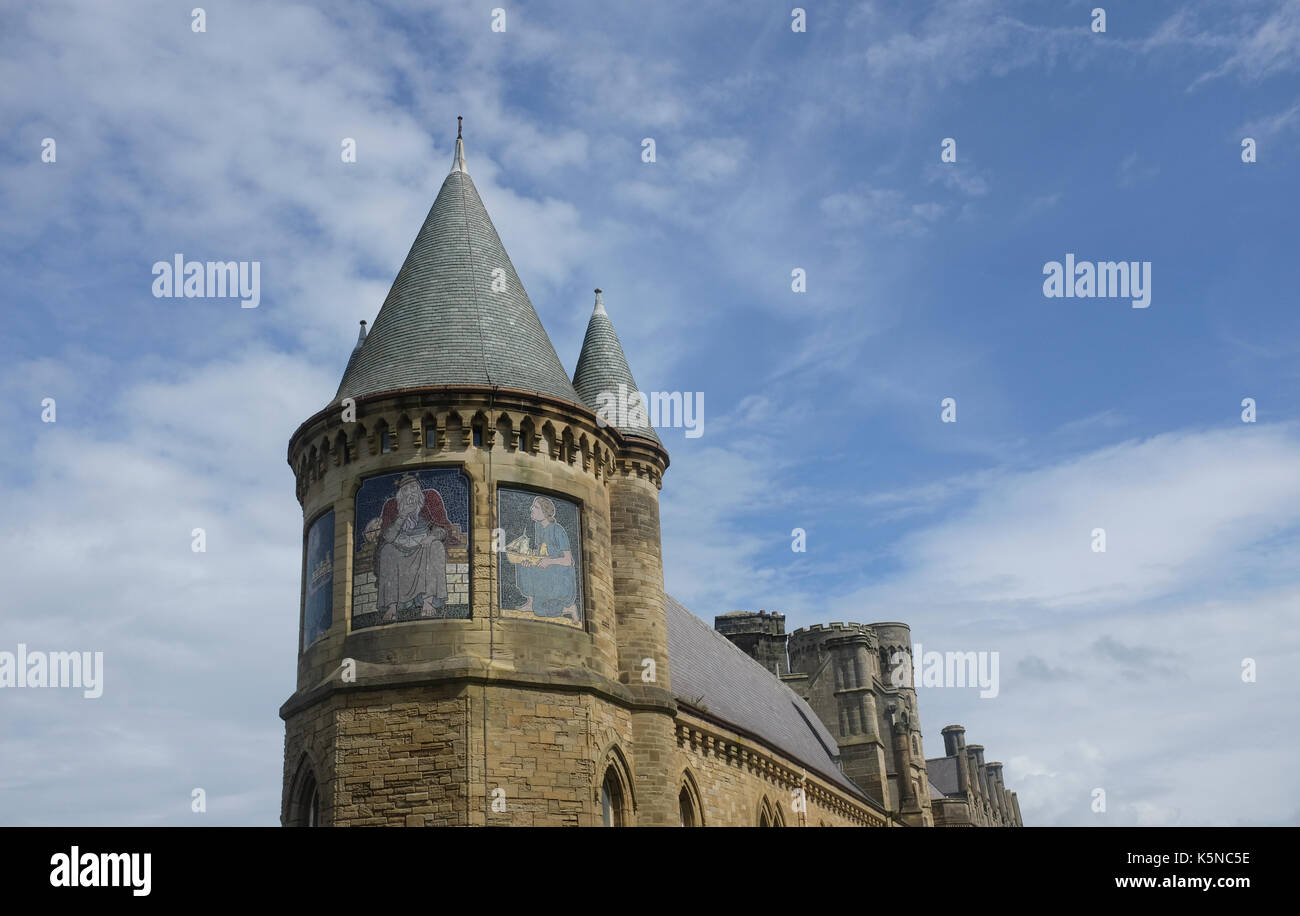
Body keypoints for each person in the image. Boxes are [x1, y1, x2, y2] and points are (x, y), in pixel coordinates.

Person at [375, 474, 461, 620]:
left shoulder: (430, 499)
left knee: (436, 547)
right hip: (399, 548)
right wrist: (402, 516)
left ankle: (428, 602)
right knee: (386, 551)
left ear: (419, 490)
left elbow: (443, 528)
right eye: (406, 489)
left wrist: (432, 537)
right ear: (400, 494)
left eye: (414, 488)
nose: (411, 493)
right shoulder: (391, 506)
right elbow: (387, 537)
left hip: (423, 545)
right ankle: (392, 607)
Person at [511, 496, 578, 622]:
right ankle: (530, 602)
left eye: (536, 507)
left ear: (545, 512)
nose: (531, 509)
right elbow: (542, 550)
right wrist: (529, 559)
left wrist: (549, 561)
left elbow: (568, 560)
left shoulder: (558, 530)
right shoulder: (539, 527)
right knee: (522, 563)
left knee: (540, 610)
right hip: (545, 569)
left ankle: (569, 609)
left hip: (560, 574)